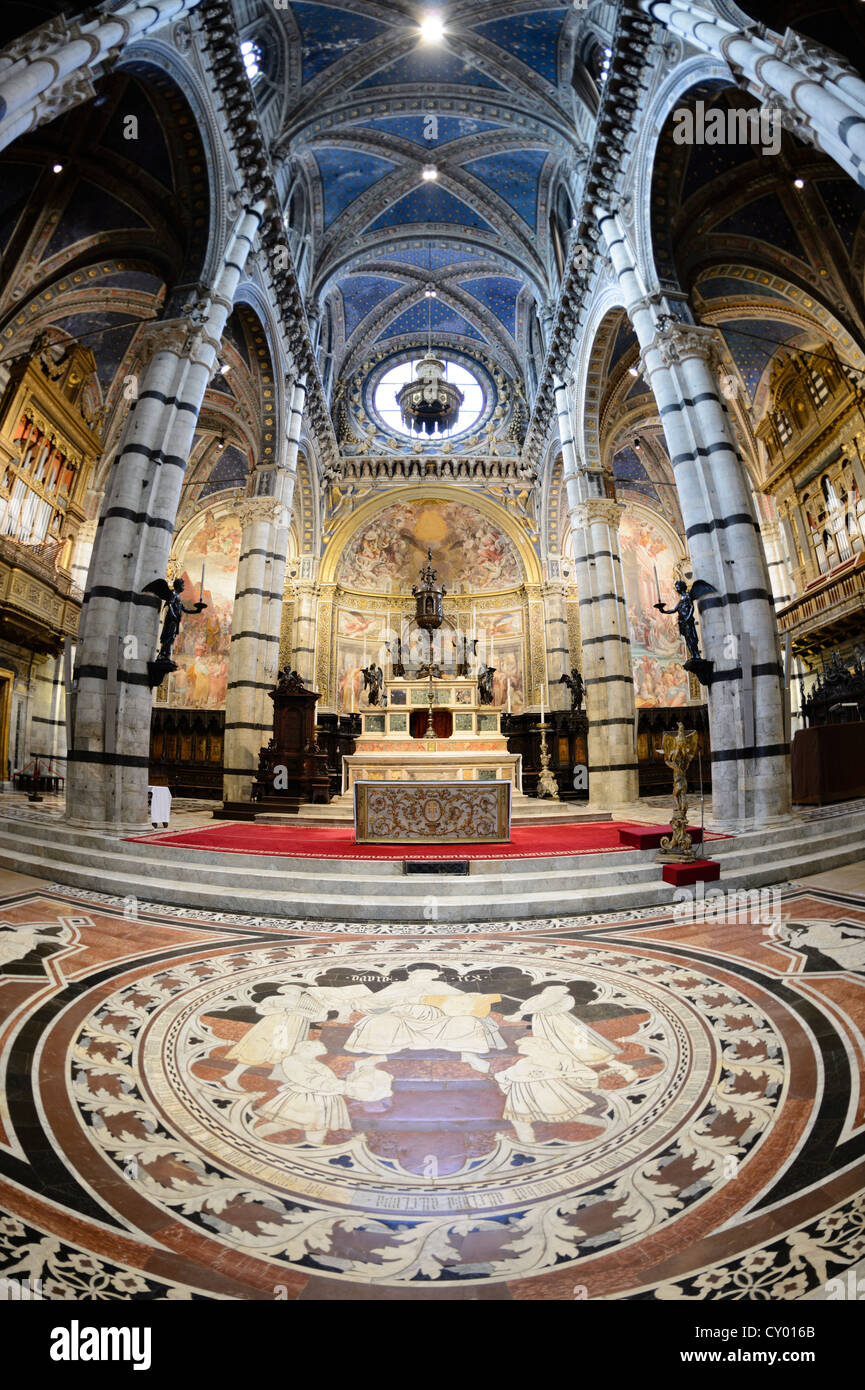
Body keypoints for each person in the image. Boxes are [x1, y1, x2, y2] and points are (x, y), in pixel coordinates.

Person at [495, 1038, 607, 1144]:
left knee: (567, 1117)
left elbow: (588, 1074)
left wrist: (557, 1074)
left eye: (525, 1045)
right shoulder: (524, 1061)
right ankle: (531, 1148)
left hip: (548, 1092)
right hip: (521, 1095)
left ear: (539, 1046)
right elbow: (507, 1076)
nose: (521, 1048)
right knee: (519, 1122)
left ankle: (606, 1124)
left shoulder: (560, 1058)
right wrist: (505, 1077)